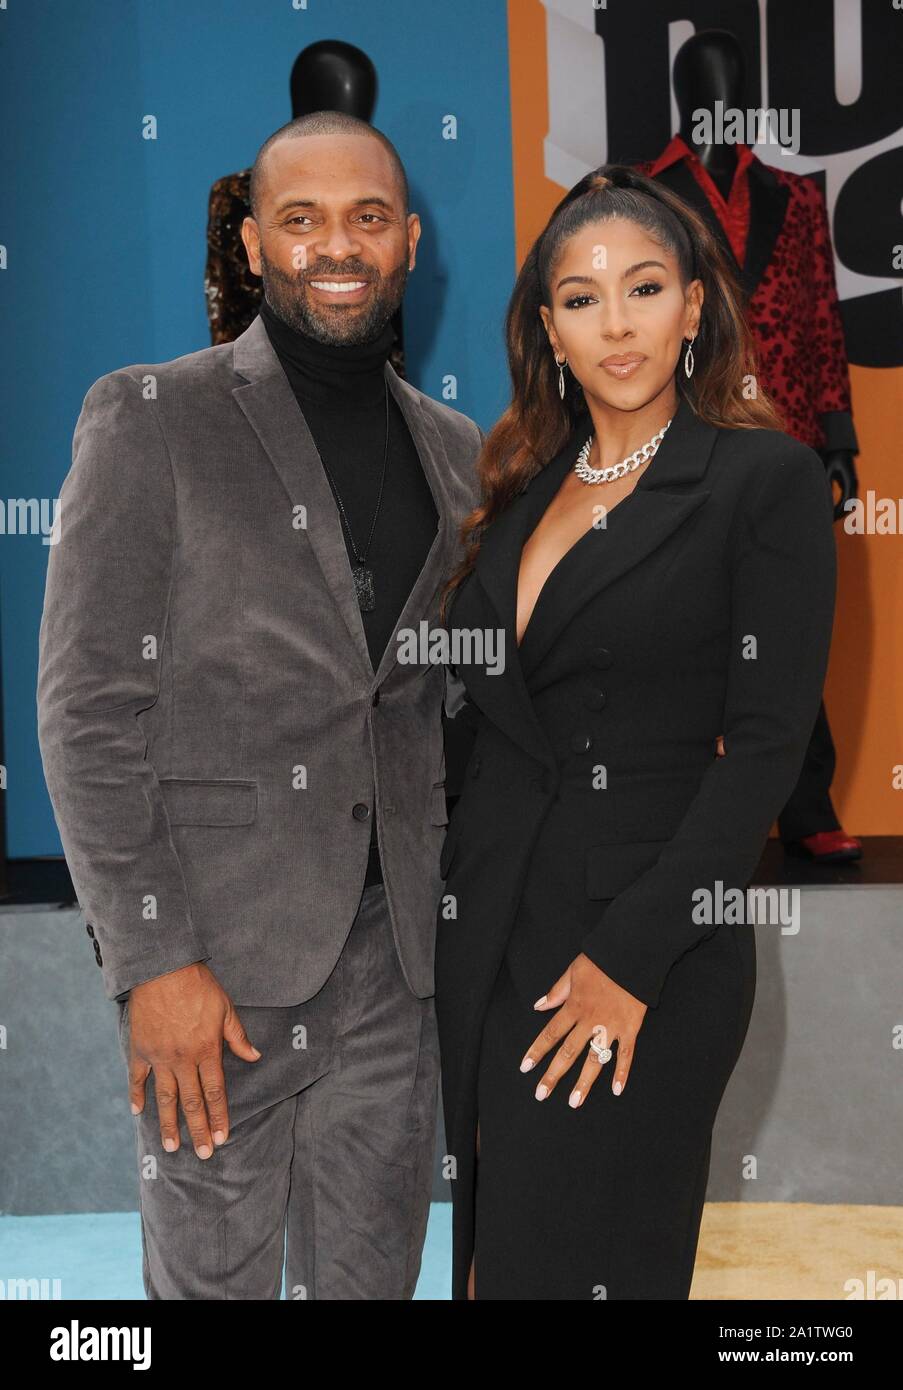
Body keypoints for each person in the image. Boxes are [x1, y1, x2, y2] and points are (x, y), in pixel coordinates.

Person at [37, 111, 481, 1299]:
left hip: (397, 975)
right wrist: (151, 960)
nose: (337, 244)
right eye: (303, 218)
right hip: (215, 981)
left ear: (409, 241)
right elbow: (86, 712)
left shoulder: (456, 451)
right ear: (251, 244)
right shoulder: (150, 415)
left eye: (367, 217)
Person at [435, 165, 836, 1300]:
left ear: (696, 306)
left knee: (592, 1266)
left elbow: (763, 756)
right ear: (548, 330)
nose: (616, 322)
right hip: (496, 932)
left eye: (645, 287)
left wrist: (628, 959)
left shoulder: (764, 482)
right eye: (580, 297)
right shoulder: (517, 492)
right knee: (499, 1266)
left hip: (641, 949)